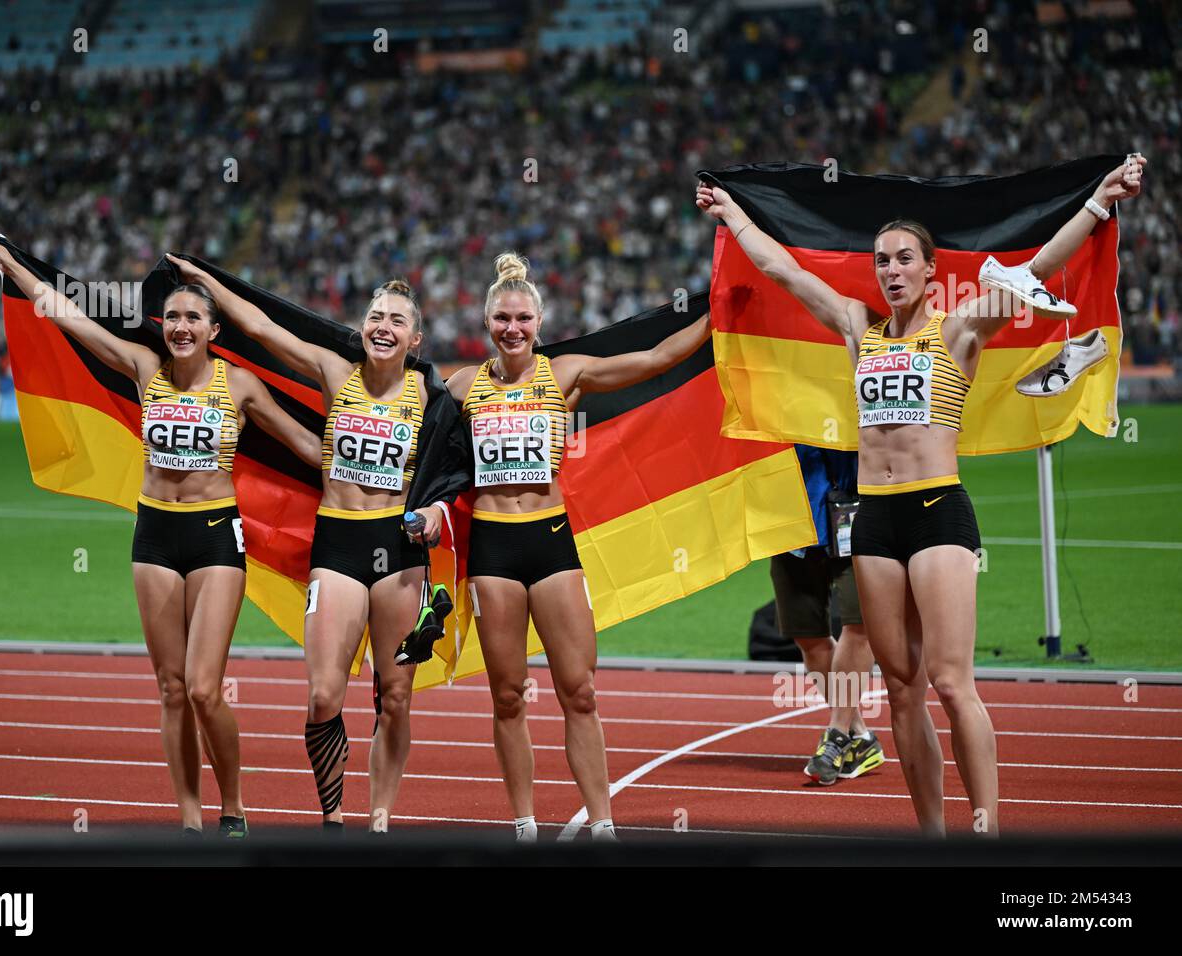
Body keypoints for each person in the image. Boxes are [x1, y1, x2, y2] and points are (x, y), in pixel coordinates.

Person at [697, 154, 1147, 835]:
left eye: (905, 259)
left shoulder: (959, 328)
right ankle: (933, 834)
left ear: (930, 270)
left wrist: (1101, 202)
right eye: (882, 261)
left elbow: (1038, 268)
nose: (891, 270)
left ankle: (986, 824)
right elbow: (784, 271)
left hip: (938, 510)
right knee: (902, 691)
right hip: (874, 520)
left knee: (950, 680)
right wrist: (732, 214)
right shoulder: (858, 328)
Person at [0, 231, 324, 837]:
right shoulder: (145, 368)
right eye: (173, 317)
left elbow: (304, 446)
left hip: (218, 536)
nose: (182, 326)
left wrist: (383, 469)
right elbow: (71, 320)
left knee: (202, 688)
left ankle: (236, 806)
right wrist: (15, 267)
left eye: (195, 317)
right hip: (155, 536)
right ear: (160, 324)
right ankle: (191, 820)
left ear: (214, 330)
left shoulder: (240, 386)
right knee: (170, 688)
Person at [166, 255, 466, 833]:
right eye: (375, 316)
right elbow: (260, 328)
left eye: (396, 321)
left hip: (398, 549)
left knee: (396, 695)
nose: (383, 326)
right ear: (362, 326)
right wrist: (206, 281)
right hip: (339, 544)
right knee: (325, 694)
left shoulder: (433, 397)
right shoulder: (335, 371)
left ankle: (378, 816)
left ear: (415, 338)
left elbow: (454, 468)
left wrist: (433, 512)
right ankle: (333, 819)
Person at [447, 252, 712, 842]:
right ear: (485, 322)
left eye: (522, 318)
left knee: (581, 690)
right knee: (508, 695)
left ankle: (602, 823)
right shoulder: (461, 386)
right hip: (492, 549)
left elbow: (655, 359)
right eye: (501, 319)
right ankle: (524, 823)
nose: (512, 329)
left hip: (549, 540)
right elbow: (398, 409)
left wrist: (716, 315)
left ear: (539, 321)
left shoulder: (564, 373)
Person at [770, 445, 884, 785]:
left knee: (860, 624)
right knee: (809, 636)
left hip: (857, 514)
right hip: (791, 522)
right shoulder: (773, 393)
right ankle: (859, 736)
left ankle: (835, 734)